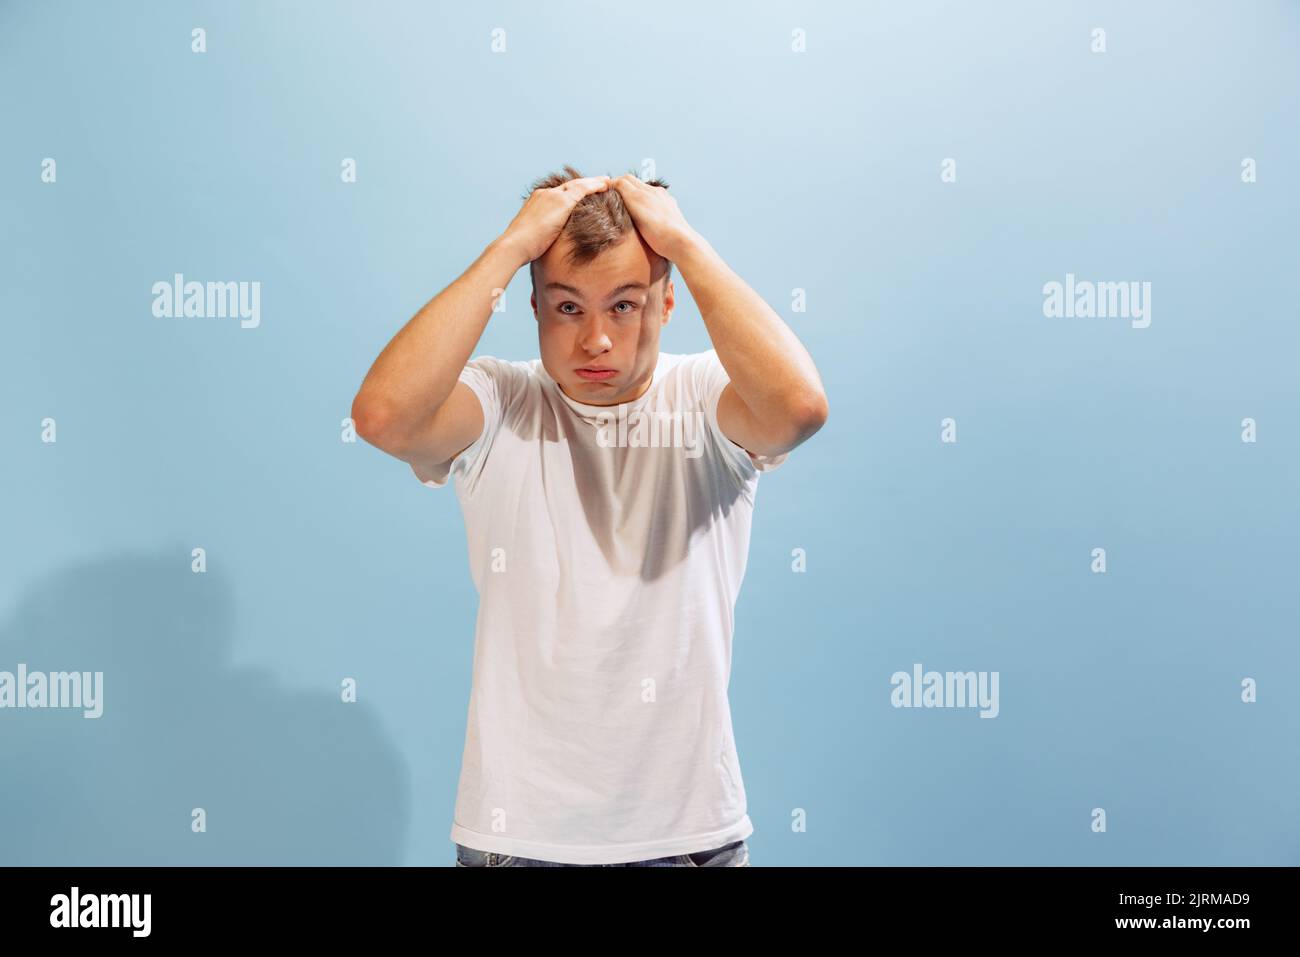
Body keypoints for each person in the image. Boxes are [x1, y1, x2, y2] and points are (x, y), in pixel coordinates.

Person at [351, 165, 828, 867]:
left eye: (625, 306)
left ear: (667, 304)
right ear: (536, 307)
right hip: (518, 842)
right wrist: (510, 248)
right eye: (568, 307)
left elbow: (798, 409)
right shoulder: (499, 402)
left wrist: (685, 245)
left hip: (690, 838)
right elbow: (384, 416)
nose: (596, 340)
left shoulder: (705, 400)